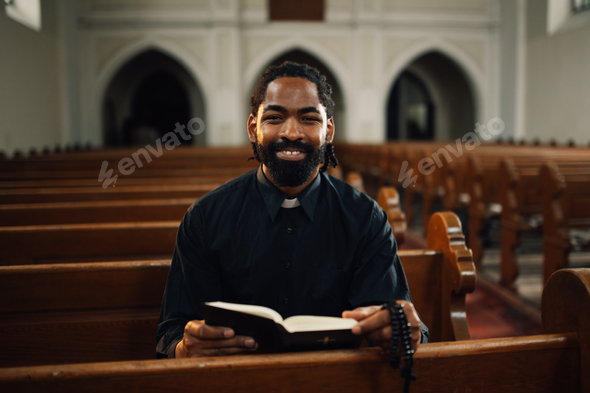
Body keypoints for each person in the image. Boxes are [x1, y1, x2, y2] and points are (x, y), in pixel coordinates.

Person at [156, 61, 428, 359]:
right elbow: (172, 332)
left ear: (328, 130)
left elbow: (399, 327)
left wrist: (401, 332)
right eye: (274, 117)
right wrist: (184, 347)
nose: (292, 133)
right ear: (253, 128)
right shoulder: (205, 218)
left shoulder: (365, 219)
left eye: (309, 119)